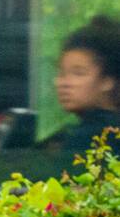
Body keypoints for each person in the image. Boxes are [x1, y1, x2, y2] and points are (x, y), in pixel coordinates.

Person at [42, 16, 120, 173]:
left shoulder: (91, 137)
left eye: (78, 73)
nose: (63, 83)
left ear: (108, 80)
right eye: (61, 73)